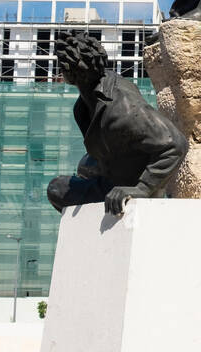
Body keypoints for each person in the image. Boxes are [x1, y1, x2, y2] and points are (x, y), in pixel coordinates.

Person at [45, 32, 188, 216]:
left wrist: (142, 188)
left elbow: (176, 145)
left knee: (56, 189)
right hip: (112, 166)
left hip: (125, 183)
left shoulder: (122, 108)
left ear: (69, 72)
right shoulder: (90, 98)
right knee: (84, 165)